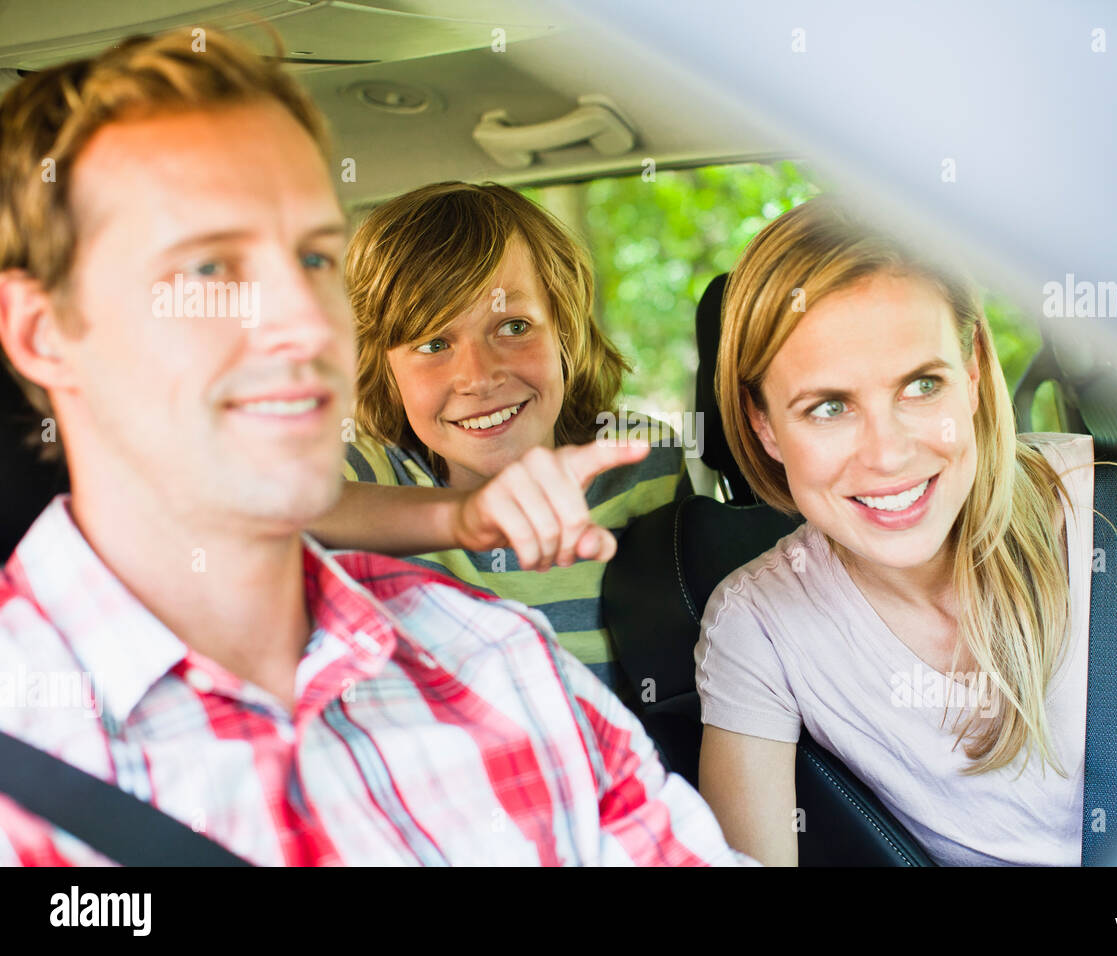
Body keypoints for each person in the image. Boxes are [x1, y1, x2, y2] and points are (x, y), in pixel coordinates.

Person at [0, 27, 743, 866]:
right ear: (43, 332)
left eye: (315, 256)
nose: (306, 320)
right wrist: (459, 514)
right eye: (209, 269)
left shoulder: (502, 661)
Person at [693, 196, 1117, 866]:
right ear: (763, 426)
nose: (888, 454)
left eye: (921, 386)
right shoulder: (758, 625)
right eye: (830, 406)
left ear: (973, 372)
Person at [312, 182, 688, 695]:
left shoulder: (641, 460)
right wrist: (461, 518)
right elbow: (264, 510)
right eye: (434, 343)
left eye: (513, 326)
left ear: (565, 330)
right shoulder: (367, 467)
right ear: (384, 366)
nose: (478, 376)